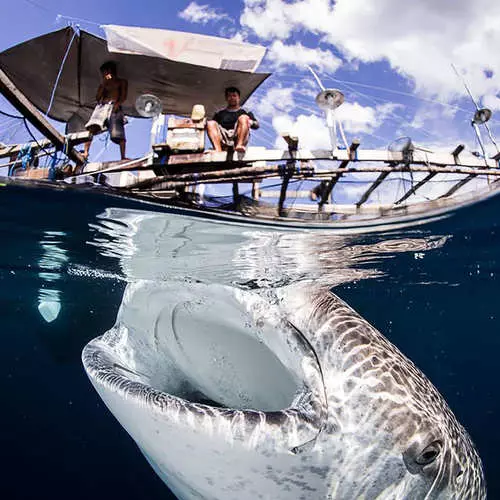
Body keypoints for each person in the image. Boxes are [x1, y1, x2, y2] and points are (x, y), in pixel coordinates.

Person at [83, 61, 128, 160]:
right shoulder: (104, 84)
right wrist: (103, 84)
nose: (104, 74)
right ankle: (86, 152)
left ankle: (123, 156)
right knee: (92, 127)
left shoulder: (121, 82)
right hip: (102, 106)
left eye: (106, 72)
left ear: (111, 71)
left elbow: (123, 96)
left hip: (114, 105)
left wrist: (117, 104)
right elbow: (98, 97)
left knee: (119, 132)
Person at [207, 87, 259, 153]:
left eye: (234, 96)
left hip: (238, 137)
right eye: (229, 96)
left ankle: (239, 145)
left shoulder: (245, 111)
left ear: (238, 98)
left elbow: (256, 125)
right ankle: (218, 149)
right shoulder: (219, 113)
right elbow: (211, 128)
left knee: (243, 118)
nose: (232, 98)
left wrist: (249, 122)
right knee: (210, 123)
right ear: (226, 98)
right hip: (224, 138)